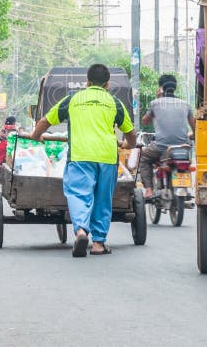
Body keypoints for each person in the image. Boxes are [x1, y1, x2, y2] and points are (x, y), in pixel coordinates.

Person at [30, 64, 136, 257]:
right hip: (107, 156)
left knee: (79, 195)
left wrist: (36, 136)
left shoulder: (73, 99)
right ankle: (98, 244)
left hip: (80, 156)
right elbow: (130, 133)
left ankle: (80, 231)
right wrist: (129, 145)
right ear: (107, 85)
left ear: (87, 82)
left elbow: (45, 121)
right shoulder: (114, 102)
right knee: (103, 200)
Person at [139, 74, 195, 199]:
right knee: (186, 161)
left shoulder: (156, 103)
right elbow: (194, 126)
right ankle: (186, 188)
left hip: (161, 147)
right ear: (175, 88)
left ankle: (148, 190)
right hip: (184, 148)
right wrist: (193, 136)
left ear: (161, 88)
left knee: (144, 158)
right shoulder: (185, 104)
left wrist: (158, 99)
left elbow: (145, 121)